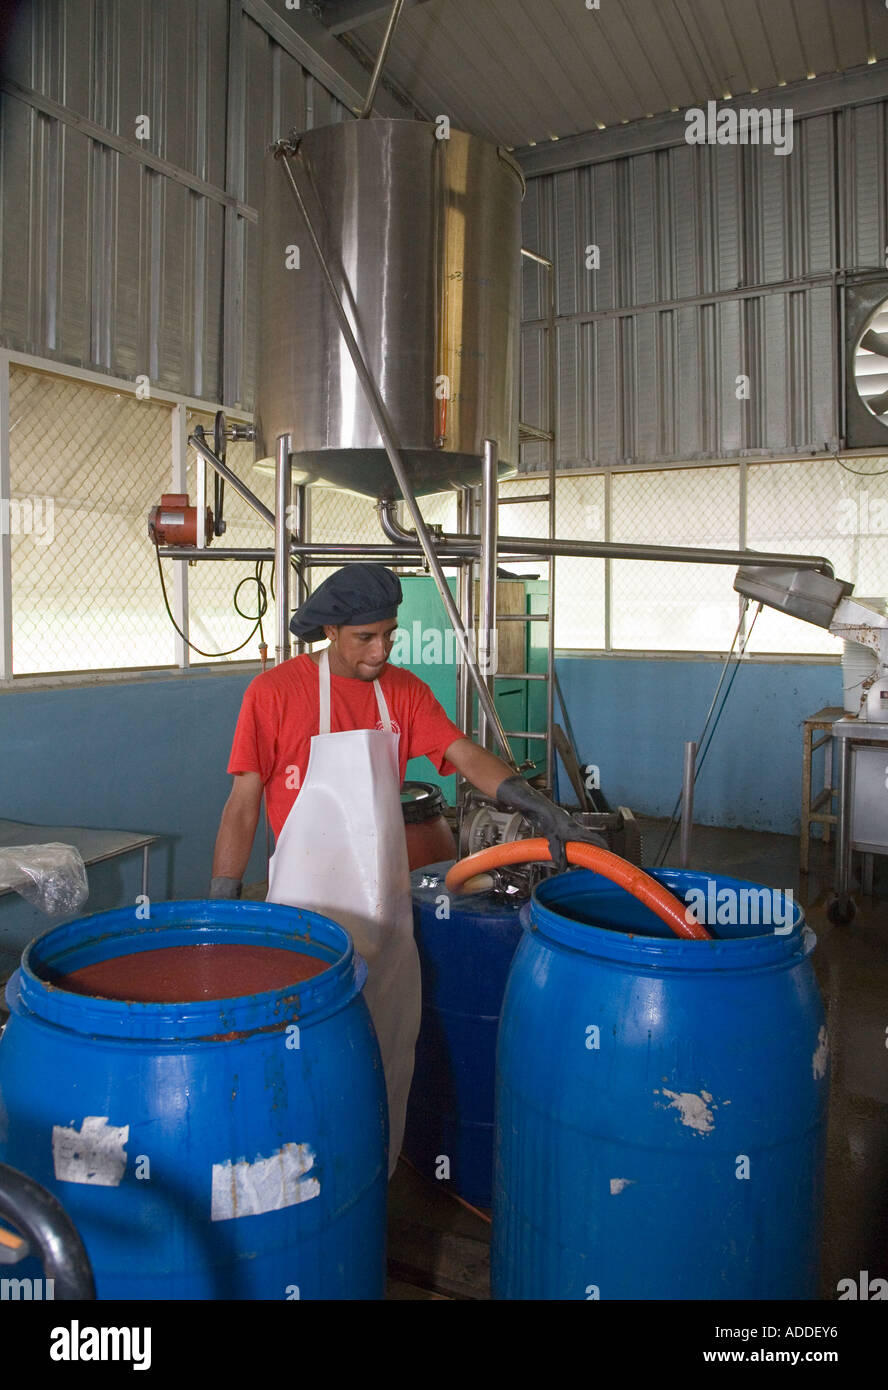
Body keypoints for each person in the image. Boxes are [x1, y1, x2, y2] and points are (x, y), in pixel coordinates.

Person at [210, 563, 601, 1173]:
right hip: (303, 916)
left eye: (389, 635)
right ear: (332, 631)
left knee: (387, 1047)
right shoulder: (274, 693)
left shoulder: (404, 692)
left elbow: (463, 753)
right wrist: (223, 899)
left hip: (384, 912)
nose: (381, 649)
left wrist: (535, 803)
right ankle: (297, 1165)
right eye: (366, 637)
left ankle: (375, 1172)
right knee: (305, 1047)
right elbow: (243, 802)